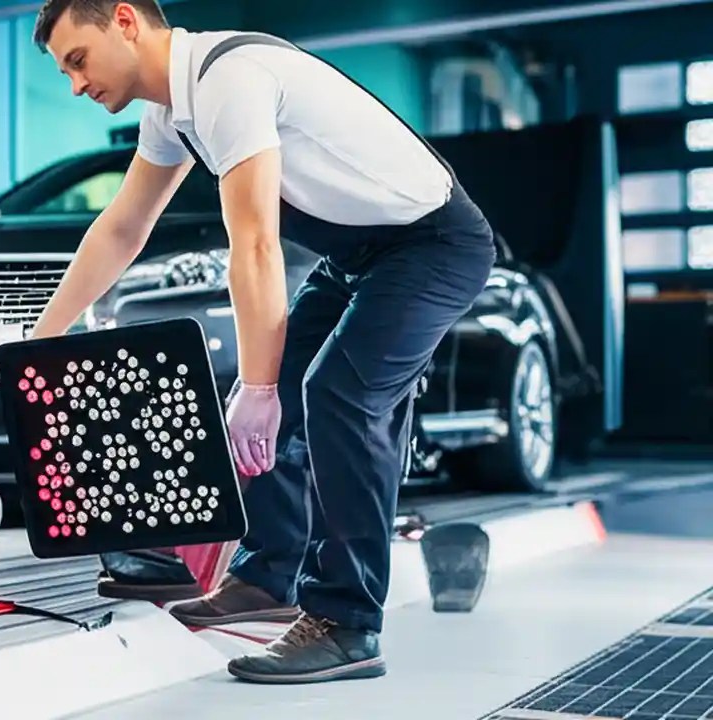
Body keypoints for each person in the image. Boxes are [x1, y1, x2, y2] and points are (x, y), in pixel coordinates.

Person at [26, 0, 498, 685]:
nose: (75, 84)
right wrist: (43, 337)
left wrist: (260, 388)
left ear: (124, 21)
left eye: (78, 60)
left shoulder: (228, 80)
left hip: (434, 244)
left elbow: (254, 243)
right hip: (361, 255)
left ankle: (348, 622)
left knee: (335, 395)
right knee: (265, 381)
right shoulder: (170, 114)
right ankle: (270, 575)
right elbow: (122, 230)